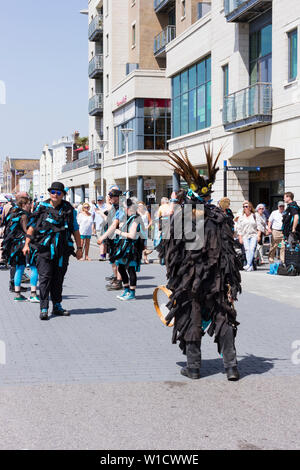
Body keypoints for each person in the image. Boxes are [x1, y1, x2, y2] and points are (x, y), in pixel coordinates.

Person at [158, 147, 241, 381]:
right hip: (217, 278)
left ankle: (193, 367)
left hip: (191, 280)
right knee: (222, 315)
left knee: (190, 314)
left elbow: (175, 254)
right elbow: (228, 251)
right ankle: (231, 367)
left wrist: (177, 279)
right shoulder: (219, 216)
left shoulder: (185, 215)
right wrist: (228, 280)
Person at [22, 182, 82, 320]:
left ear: (63, 195)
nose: (55, 194)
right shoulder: (41, 207)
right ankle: (44, 308)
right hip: (43, 249)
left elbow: (75, 229)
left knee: (58, 279)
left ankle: (57, 306)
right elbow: (31, 227)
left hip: (62, 250)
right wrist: (26, 244)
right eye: (53, 192)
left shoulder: (68, 209)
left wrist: (79, 249)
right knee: (44, 278)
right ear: (50, 193)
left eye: (58, 192)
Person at [2, 194, 39, 302]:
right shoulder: (24, 216)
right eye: (28, 203)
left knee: (19, 268)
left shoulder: (13, 213)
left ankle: (17, 294)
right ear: (23, 204)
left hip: (14, 246)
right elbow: (27, 231)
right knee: (34, 267)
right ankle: (33, 294)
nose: (30, 205)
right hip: (23, 245)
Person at [112, 198, 144, 301]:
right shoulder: (129, 218)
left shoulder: (135, 219)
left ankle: (132, 293)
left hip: (131, 249)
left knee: (130, 270)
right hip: (125, 248)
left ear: (129, 208)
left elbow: (132, 235)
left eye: (124, 207)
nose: (123, 209)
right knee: (121, 268)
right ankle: (126, 290)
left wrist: (119, 232)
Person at [97, 188, 124, 291]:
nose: (109, 198)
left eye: (111, 196)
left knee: (119, 260)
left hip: (120, 237)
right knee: (113, 259)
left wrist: (103, 237)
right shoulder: (114, 207)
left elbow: (114, 224)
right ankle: (116, 277)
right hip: (112, 237)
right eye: (109, 196)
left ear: (117, 197)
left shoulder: (122, 207)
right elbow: (109, 221)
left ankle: (119, 281)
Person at [237, 201, 259, 272]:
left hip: (253, 235)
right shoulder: (241, 217)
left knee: (251, 249)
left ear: (250, 207)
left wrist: (259, 235)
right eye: (244, 207)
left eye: (246, 206)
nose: (245, 208)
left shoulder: (255, 215)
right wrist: (240, 237)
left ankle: (248, 264)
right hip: (245, 235)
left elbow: (259, 226)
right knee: (247, 249)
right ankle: (250, 266)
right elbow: (239, 228)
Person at [94, 196, 108, 261]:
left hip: (106, 227)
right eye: (98, 200)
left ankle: (104, 255)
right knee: (101, 242)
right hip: (98, 228)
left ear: (103, 200)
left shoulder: (106, 207)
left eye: (101, 200)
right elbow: (93, 218)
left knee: (105, 243)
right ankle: (102, 255)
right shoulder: (95, 208)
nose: (99, 202)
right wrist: (93, 228)